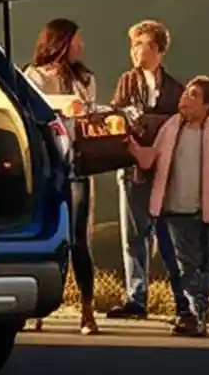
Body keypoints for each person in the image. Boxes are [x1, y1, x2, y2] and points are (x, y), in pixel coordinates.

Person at [127, 76, 209, 337]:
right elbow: (151, 158)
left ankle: (197, 312)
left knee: (207, 264)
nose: (185, 97)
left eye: (193, 95)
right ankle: (195, 315)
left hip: (208, 211)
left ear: (207, 106)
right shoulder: (172, 127)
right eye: (185, 92)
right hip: (177, 209)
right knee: (187, 264)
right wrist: (130, 146)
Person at [106, 19, 187, 323]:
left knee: (169, 235)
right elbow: (117, 118)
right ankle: (136, 298)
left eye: (144, 44)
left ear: (159, 50)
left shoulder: (177, 89)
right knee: (133, 235)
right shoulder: (126, 81)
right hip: (132, 167)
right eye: (134, 45)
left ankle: (183, 300)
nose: (137, 51)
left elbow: (179, 128)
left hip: (164, 170)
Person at [23, 18, 99, 336]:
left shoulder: (85, 79)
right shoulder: (32, 76)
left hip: (77, 164)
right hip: (47, 164)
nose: (81, 46)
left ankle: (87, 308)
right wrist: (65, 105)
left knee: (79, 238)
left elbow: (90, 115)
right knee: (46, 236)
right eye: (77, 40)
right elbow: (31, 109)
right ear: (62, 43)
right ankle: (38, 308)